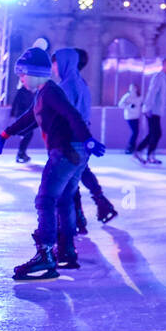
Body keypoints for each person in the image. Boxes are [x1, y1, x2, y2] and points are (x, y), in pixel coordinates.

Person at [0, 47, 104, 279]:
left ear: (33, 72)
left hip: (66, 151)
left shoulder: (51, 92)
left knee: (45, 200)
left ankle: (45, 254)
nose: (21, 79)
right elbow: (30, 116)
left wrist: (88, 139)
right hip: (76, 151)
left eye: (23, 74)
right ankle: (66, 252)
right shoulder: (45, 93)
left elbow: (72, 114)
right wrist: (5, 134)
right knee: (64, 200)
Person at [53, 48, 118, 228]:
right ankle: (94, 207)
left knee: (69, 180)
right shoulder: (82, 83)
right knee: (78, 175)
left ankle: (79, 218)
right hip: (82, 135)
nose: (53, 68)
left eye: (56, 63)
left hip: (72, 137)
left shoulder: (66, 86)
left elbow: (65, 114)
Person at [136, 57, 166, 165]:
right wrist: (148, 107)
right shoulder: (158, 77)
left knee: (154, 133)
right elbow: (152, 92)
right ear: (164, 64)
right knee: (156, 133)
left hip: (158, 110)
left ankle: (148, 154)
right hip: (151, 109)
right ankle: (141, 152)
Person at [9, 82, 36, 163]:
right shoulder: (21, 91)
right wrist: (12, 114)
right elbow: (15, 103)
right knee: (28, 134)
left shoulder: (32, 93)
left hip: (28, 117)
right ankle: (21, 153)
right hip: (22, 117)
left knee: (28, 134)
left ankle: (21, 153)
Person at [118, 82, 142, 154]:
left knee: (136, 132)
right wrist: (129, 106)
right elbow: (120, 104)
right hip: (129, 116)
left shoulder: (139, 96)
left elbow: (142, 103)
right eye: (131, 87)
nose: (133, 89)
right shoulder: (127, 96)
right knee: (135, 132)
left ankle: (133, 147)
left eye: (134, 87)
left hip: (136, 116)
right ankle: (130, 147)